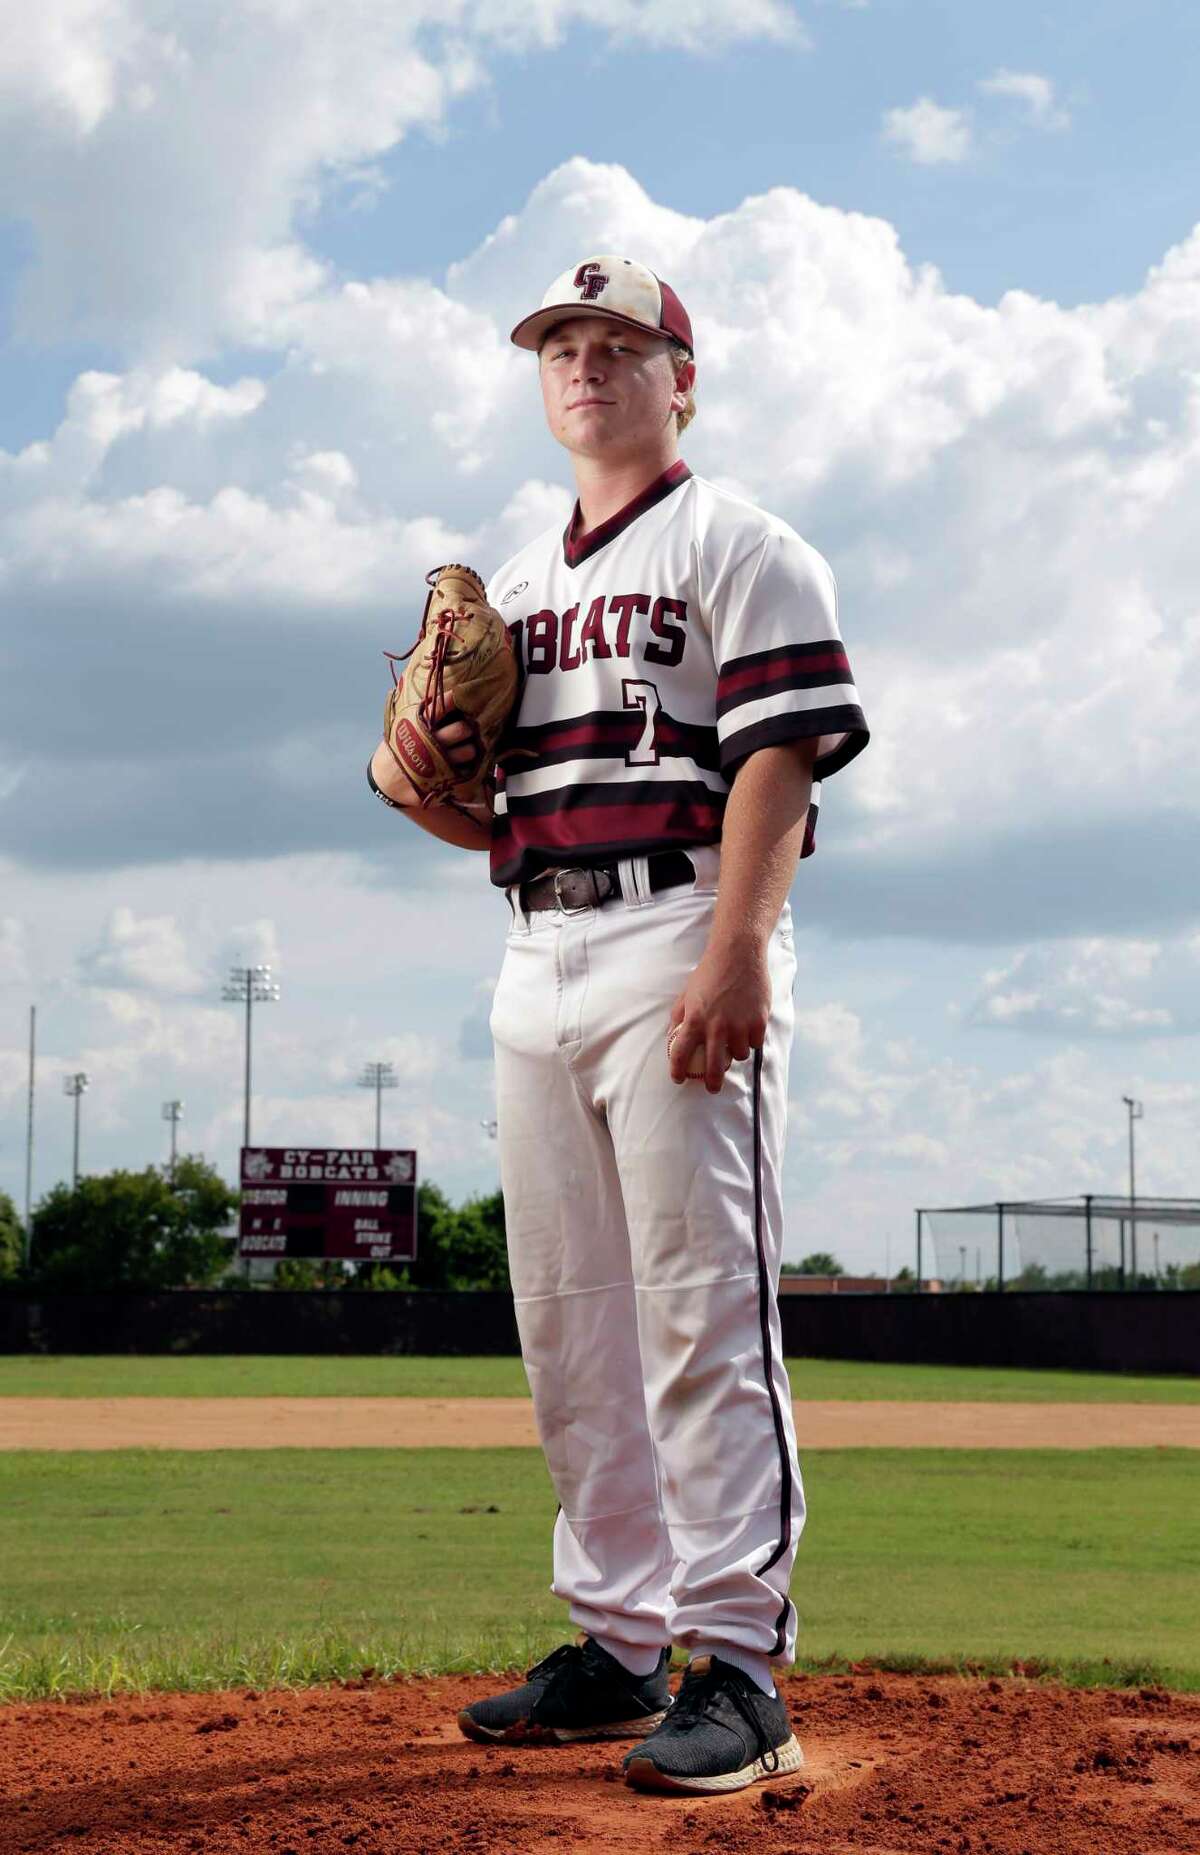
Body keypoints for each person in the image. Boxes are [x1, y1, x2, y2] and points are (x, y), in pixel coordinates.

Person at [367, 255, 868, 1796]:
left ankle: (741, 1667)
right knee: (572, 1318)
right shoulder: (513, 585)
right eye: (561, 346)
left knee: (701, 1309)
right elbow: (488, 814)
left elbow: (780, 759)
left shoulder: (745, 544)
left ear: (682, 379)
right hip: (537, 950)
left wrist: (739, 952)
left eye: (619, 344)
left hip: (680, 931)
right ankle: (622, 1644)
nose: (586, 366)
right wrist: (419, 774)